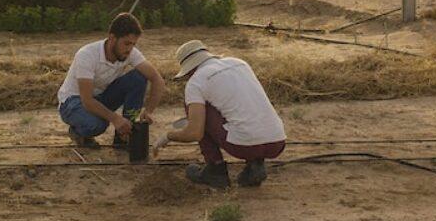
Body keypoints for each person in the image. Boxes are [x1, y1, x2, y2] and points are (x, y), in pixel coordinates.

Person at [157, 39, 285, 189]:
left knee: (196, 108)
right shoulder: (240, 63)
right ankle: (255, 164)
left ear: (189, 69)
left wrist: (168, 136)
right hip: (277, 141)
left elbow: (194, 133)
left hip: (244, 146)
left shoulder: (196, 82)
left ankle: (215, 169)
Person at [57, 13, 164, 148]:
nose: (130, 49)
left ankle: (124, 135)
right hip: (73, 102)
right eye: (126, 43)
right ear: (112, 38)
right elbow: (87, 100)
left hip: (99, 98)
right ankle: (78, 132)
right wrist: (115, 119)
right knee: (97, 125)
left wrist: (148, 111)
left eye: (133, 44)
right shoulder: (87, 55)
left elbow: (157, 80)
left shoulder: (130, 53)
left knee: (138, 78)